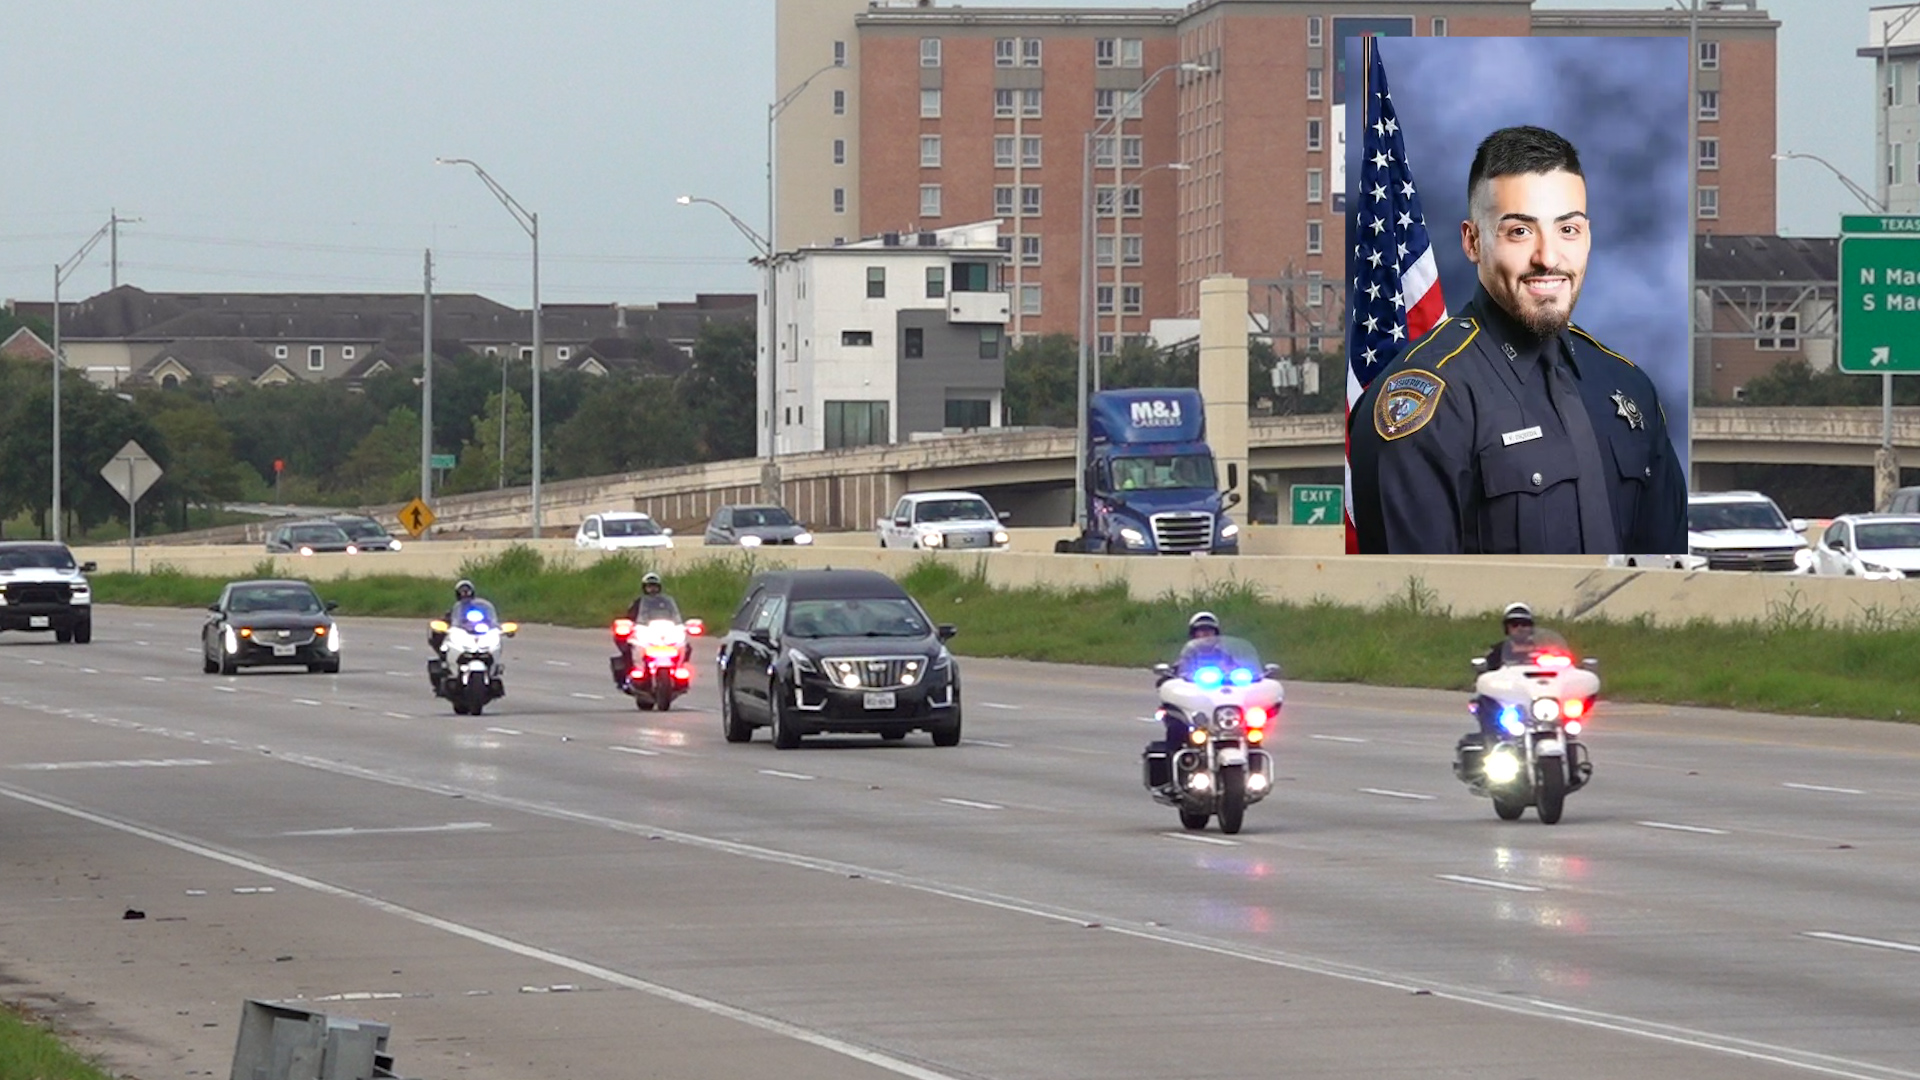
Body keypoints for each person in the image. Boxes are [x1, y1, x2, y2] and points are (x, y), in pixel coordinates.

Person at [1348, 125, 1687, 555]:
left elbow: (1671, 583)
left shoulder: (1627, 387)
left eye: (1568, 230)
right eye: (1520, 232)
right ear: (1473, 242)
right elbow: (1418, 608)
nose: (1548, 257)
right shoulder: (1429, 402)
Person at [1146, 612, 1230, 789]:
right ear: (1193, 635)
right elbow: (1176, 671)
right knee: (1176, 727)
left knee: (1248, 731)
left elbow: (1243, 672)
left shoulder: (1225, 656)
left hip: (1219, 710)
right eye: (1200, 631)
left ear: (1216, 634)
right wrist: (1170, 677)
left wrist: (1255, 677)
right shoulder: (1187, 656)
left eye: (1209, 631)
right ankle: (1173, 777)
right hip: (1194, 710)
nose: (1205, 635)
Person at [615, 573, 685, 684]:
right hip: (645, 631)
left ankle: (680, 668)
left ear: (659, 587)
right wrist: (628, 625)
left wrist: (680, 625)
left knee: (683, 644)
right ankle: (633, 671)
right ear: (644, 588)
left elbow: (676, 616)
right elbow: (629, 617)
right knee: (630, 645)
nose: (652, 589)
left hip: (665, 633)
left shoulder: (667, 602)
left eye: (655, 586)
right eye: (649, 586)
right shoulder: (638, 602)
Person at [428, 579, 482, 685]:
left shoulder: (479, 609)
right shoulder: (454, 610)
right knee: (441, 637)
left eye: (467, 591)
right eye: (462, 591)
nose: (465, 594)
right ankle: (445, 660)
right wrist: (444, 626)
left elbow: (489, 620)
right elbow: (445, 622)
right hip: (460, 635)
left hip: (476, 636)